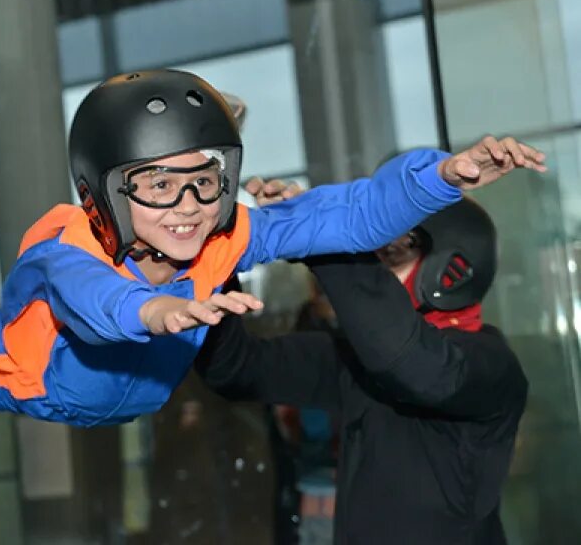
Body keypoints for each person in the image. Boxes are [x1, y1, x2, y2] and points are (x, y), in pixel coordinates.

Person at [0, 69, 544, 428]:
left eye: (206, 178)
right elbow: (88, 298)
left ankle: (194, 143)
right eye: (158, 187)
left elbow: (351, 213)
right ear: (104, 192)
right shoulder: (65, 237)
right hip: (28, 370)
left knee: (273, 215)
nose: (189, 211)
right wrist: (155, 307)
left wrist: (442, 175)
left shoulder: (228, 228)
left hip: (144, 385)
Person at [196, 177, 530, 544]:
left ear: (450, 270)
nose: (377, 268)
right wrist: (208, 263)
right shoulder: (357, 358)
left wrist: (323, 232)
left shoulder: (489, 364)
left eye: (392, 253)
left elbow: (412, 362)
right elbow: (236, 368)